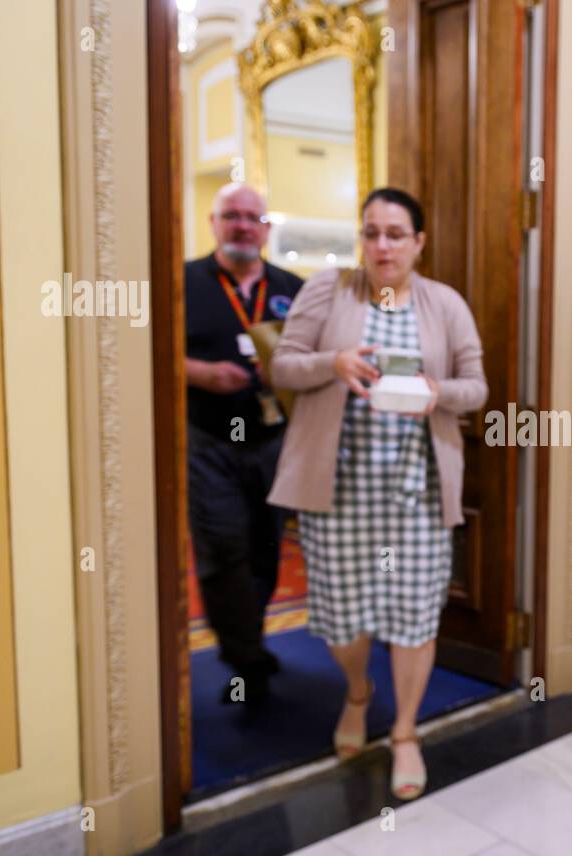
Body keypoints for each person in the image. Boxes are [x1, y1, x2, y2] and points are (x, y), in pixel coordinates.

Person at [268, 187, 487, 799]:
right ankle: (359, 692)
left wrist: (435, 391)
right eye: (371, 232)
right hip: (336, 490)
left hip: (416, 492)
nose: (382, 245)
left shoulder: (443, 303)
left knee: (416, 617)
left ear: (419, 241)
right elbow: (283, 366)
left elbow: (478, 387)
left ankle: (407, 732)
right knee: (342, 621)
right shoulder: (328, 289)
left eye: (395, 233)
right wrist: (332, 362)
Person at [185, 183, 304, 705]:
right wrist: (198, 373)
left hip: (273, 441)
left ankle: (248, 641)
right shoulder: (183, 281)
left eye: (252, 218)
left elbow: (317, 354)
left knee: (265, 548)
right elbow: (144, 349)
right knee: (222, 550)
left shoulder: (292, 288)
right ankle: (243, 656)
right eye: (231, 216)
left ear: (266, 229)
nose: (242, 226)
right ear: (213, 222)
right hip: (210, 443)